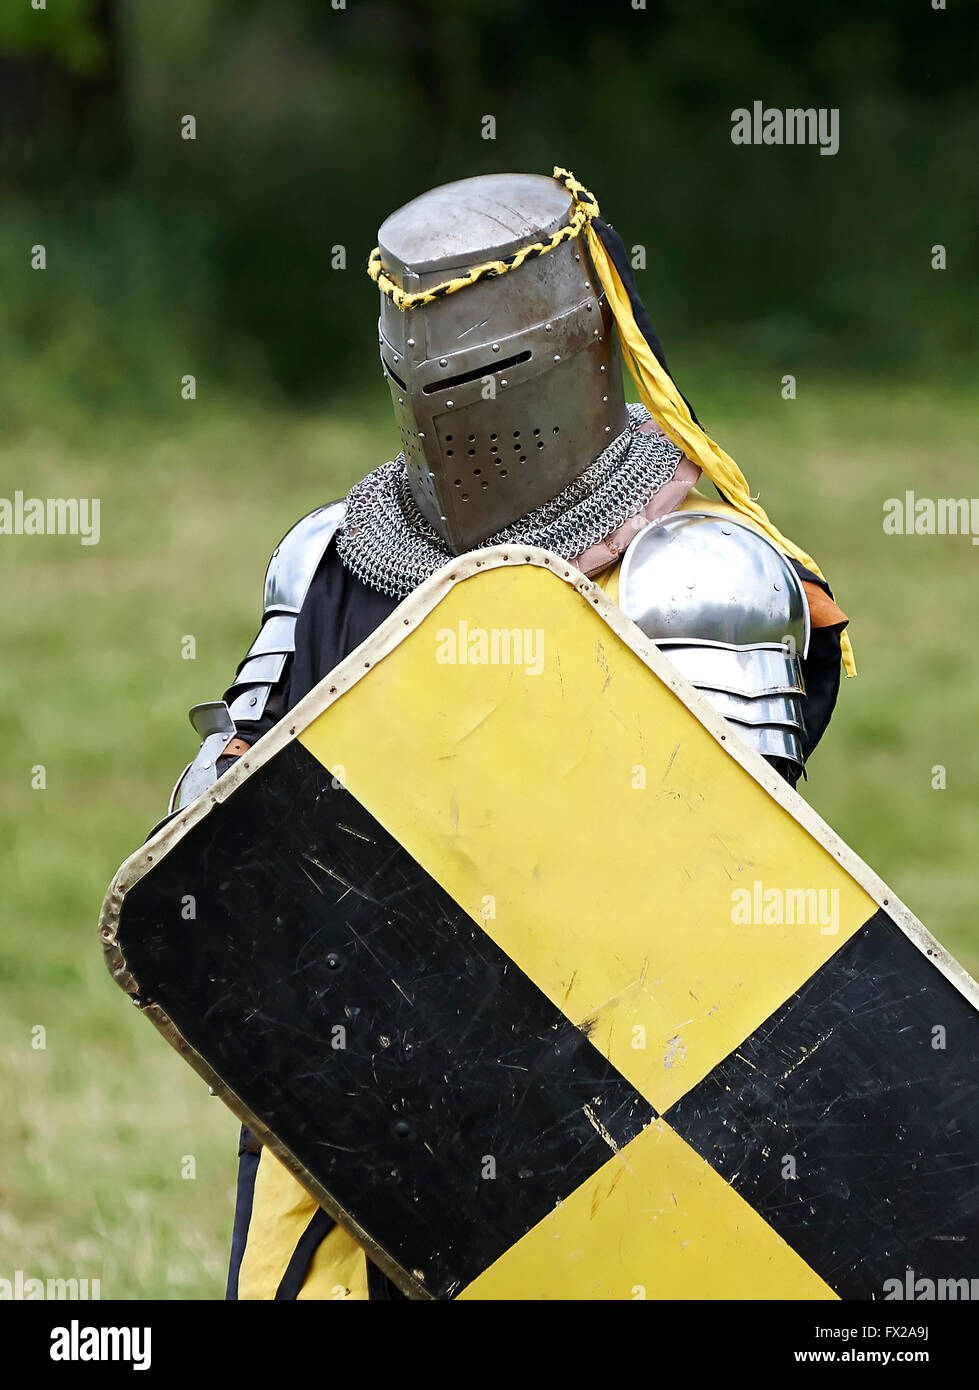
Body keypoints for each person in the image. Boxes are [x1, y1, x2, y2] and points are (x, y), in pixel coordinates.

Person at [167, 169, 851, 1300]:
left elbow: (728, 919)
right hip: (354, 1112)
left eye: (490, 371)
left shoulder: (691, 583)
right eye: (429, 375)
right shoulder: (328, 564)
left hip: (621, 1121)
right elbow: (207, 859)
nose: (460, 408)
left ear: (579, 348)